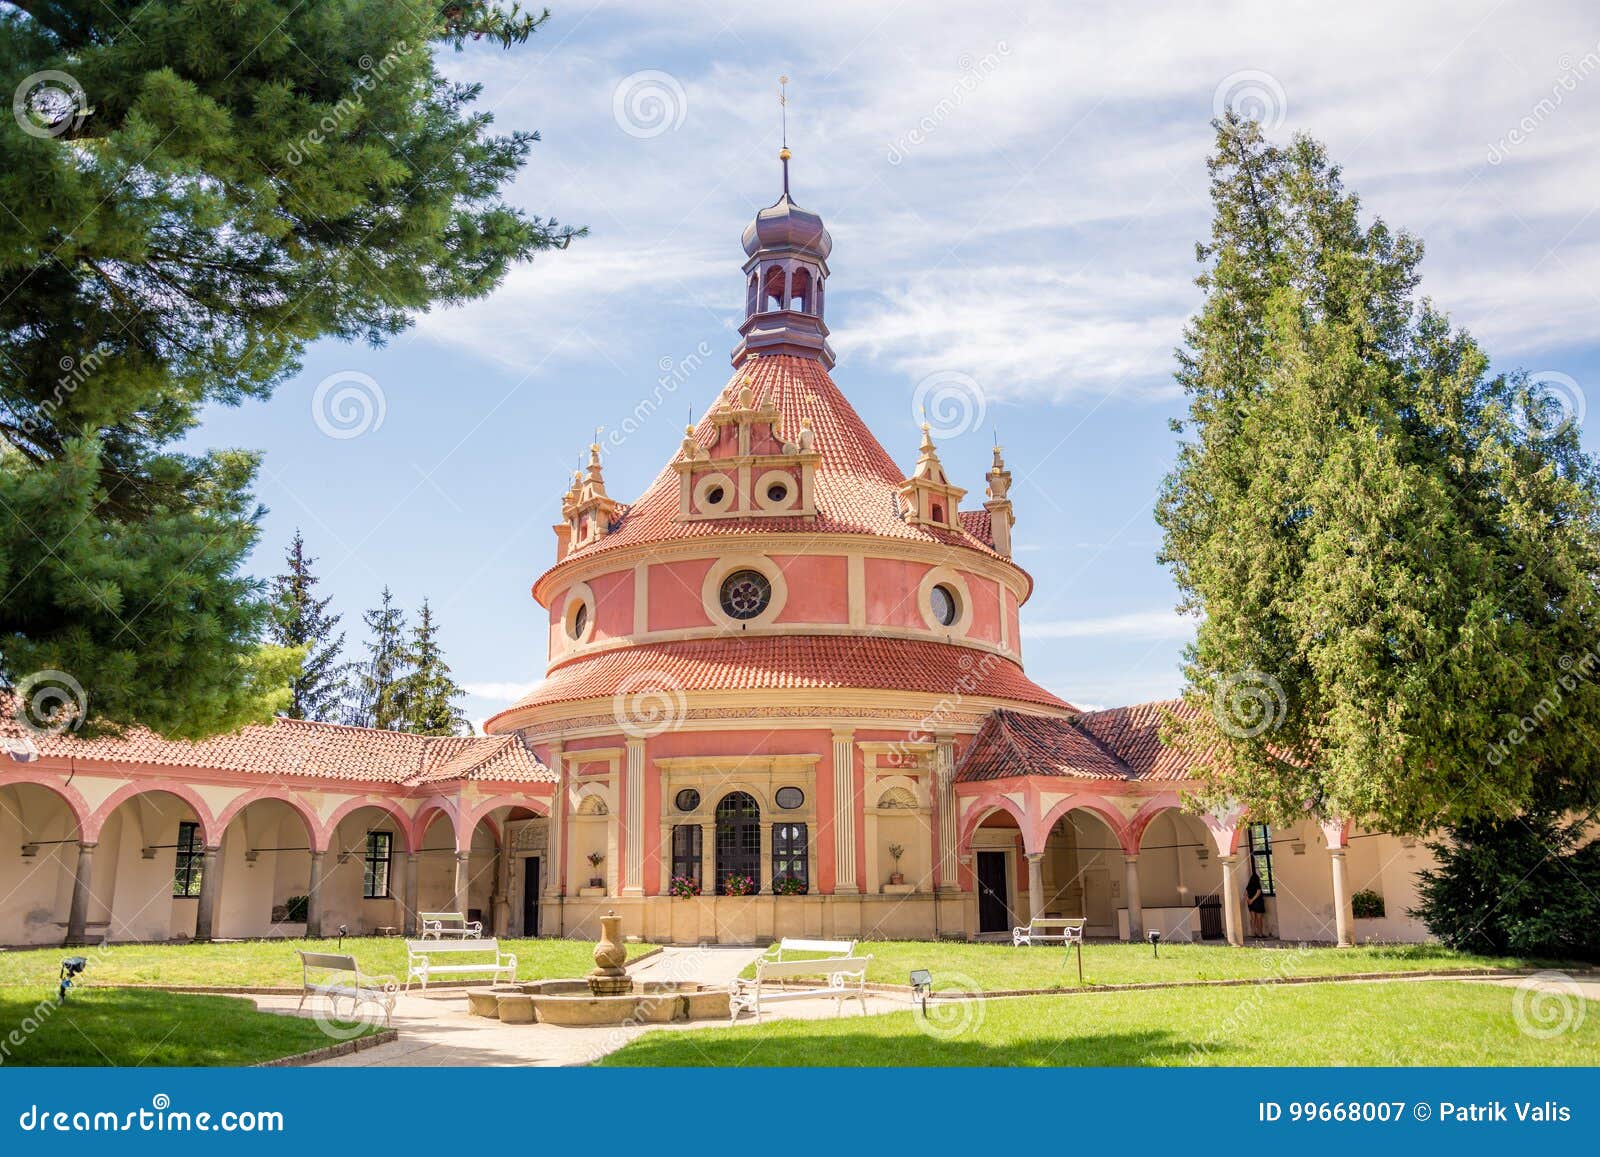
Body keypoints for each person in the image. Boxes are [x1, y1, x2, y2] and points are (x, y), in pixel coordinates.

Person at [1245, 869, 1267, 938]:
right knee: (1259, 918)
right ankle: (1260, 933)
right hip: (1258, 902)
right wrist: (1253, 900)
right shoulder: (1257, 884)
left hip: (1251, 904)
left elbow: (1245, 894)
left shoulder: (1248, 886)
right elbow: (1258, 892)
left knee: (1252, 919)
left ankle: (1253, 933)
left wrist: (1249, 900)